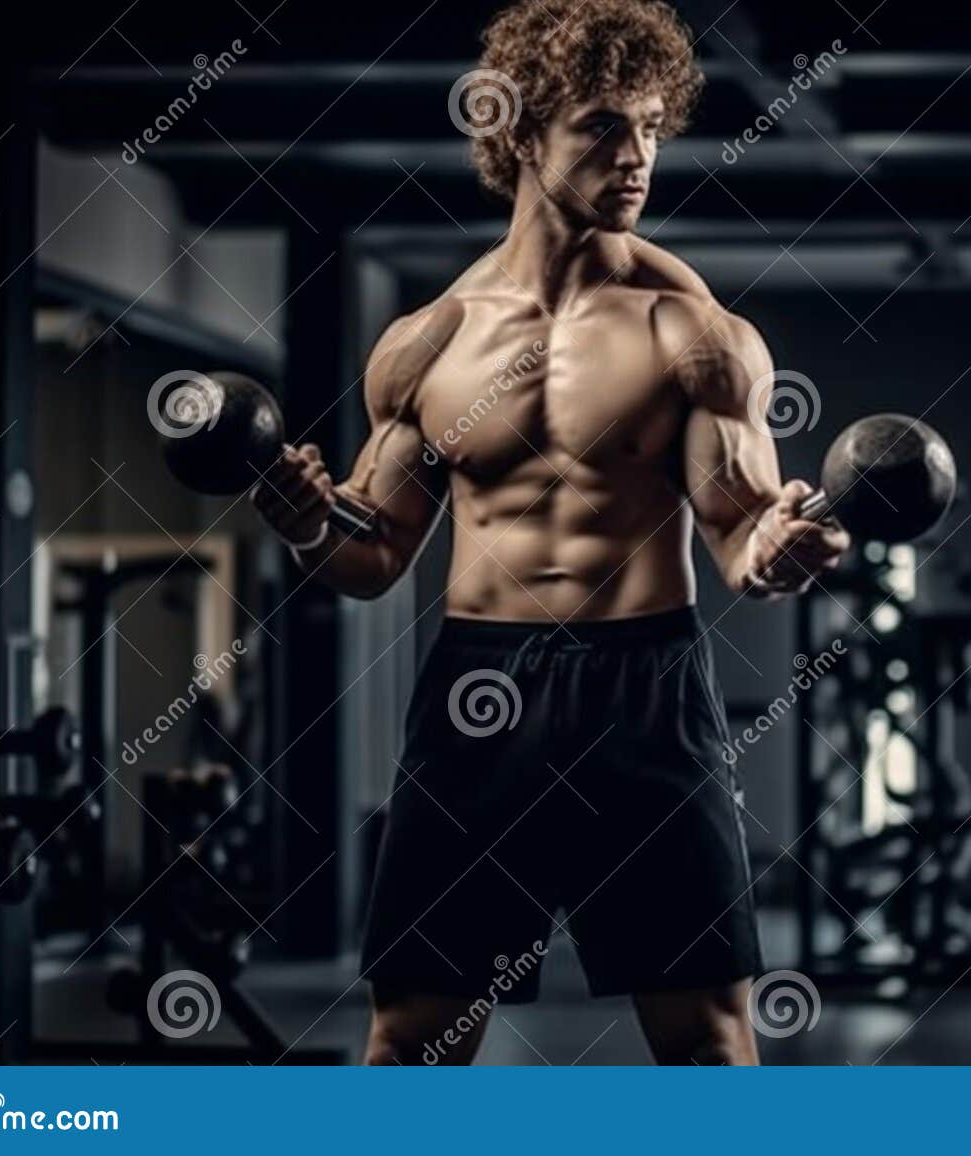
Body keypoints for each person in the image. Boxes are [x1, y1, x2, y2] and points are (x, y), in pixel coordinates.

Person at [251, 0, 848, 1065]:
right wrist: (306, 524)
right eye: (603, 128)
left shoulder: (693, 331)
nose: (637, 157)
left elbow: (740, 535)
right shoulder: (425, 345)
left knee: (710, 1039)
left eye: (653, 129)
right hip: (480, 693)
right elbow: (374, 555)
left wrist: (779, 551)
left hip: (647, 688)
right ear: (522, 134)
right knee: (413, 1036)